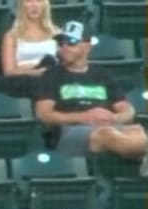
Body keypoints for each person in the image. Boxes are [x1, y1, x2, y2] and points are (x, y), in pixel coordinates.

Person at [35, 21, 147, 163]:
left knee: (137, 130)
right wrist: (83, 117)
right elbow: (43, 114)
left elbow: (128, 110)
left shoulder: (103, 75)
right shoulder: (51, 75)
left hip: (108, 126)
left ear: (87, 46)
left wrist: (113, 118)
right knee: (106, 133)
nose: (64, 47)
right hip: (72, 131)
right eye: (61, 43)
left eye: (71, 42)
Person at [0, 0, 57, 79]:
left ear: (45, 5)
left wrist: (24, 67)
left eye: (39, 1)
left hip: (52, 81)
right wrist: (37, 71)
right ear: (21, 6)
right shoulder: (11, 37)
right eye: (29, 1)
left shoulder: (56, 33)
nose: (34, 5)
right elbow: (8, 71)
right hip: (23, 82)